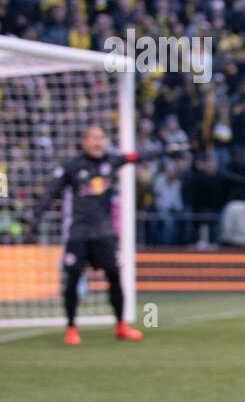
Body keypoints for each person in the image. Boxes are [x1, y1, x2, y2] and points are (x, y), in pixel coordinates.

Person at [29, 125, 183, 345]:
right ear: (84, 142)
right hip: (78, 232)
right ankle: (71, 327)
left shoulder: (112, 161)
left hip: (104, 232)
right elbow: (51, 192)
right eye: (93, 138)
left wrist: (165, 151)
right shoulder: (72, 167)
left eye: (101, 138)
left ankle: (121, 325)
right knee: (72, 279)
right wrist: (34, 216)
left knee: (114, 276)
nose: (97, 143)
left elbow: (137, 156)